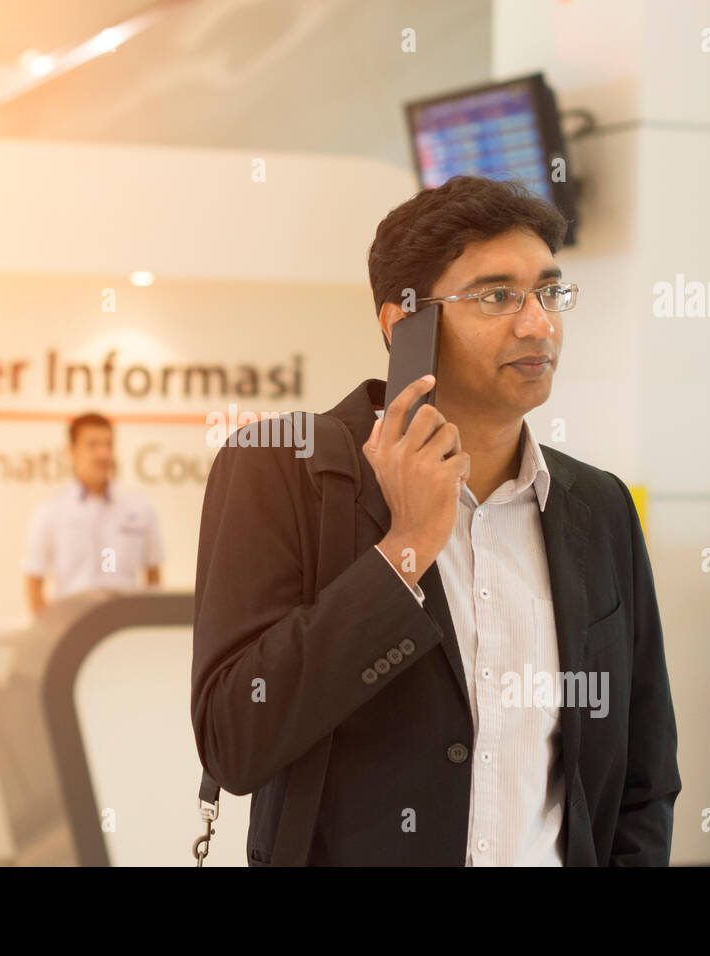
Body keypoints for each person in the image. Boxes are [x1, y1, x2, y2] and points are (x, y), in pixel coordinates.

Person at [191, 176, 680, 866]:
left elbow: (644, 777)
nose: (537, 322)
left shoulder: (597, 508)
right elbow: (234, 740)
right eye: (496, 295)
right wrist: (407, 550)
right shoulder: (285, 468)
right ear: (404, 324)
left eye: (548, 291)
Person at [22, 412, 162, 616]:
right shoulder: (50, 511)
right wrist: (49, 633)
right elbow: (34, 582)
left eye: (108, 444)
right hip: (71, 629)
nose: (103, 454)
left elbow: (153, 575)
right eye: (93, 445)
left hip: (126, 630)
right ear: (71, 451)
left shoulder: (140, 507)